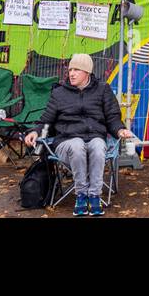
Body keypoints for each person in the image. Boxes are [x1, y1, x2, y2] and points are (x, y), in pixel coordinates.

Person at [23, 53, 131, 216]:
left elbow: (112, 117)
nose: (71, 73)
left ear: (87, 73)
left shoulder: (103, 89)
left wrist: (119, 130)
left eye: (76, 70)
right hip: (67, 141)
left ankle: (94, 196)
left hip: (94, 137)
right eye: (70, 69)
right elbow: (47, 120)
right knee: (77, 145)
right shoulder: (59, 93)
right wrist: (35, 132)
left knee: (98, 145)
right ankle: (81, 195)